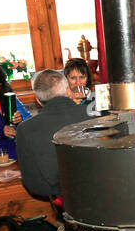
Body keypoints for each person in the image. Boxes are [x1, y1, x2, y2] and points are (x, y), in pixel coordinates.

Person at [15, 69, 89, 199]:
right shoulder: (93, 115)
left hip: (60, 199)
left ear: (38, 100)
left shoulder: (25, 129)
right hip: (105, 191)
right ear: (68, 92)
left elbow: (33, 184)